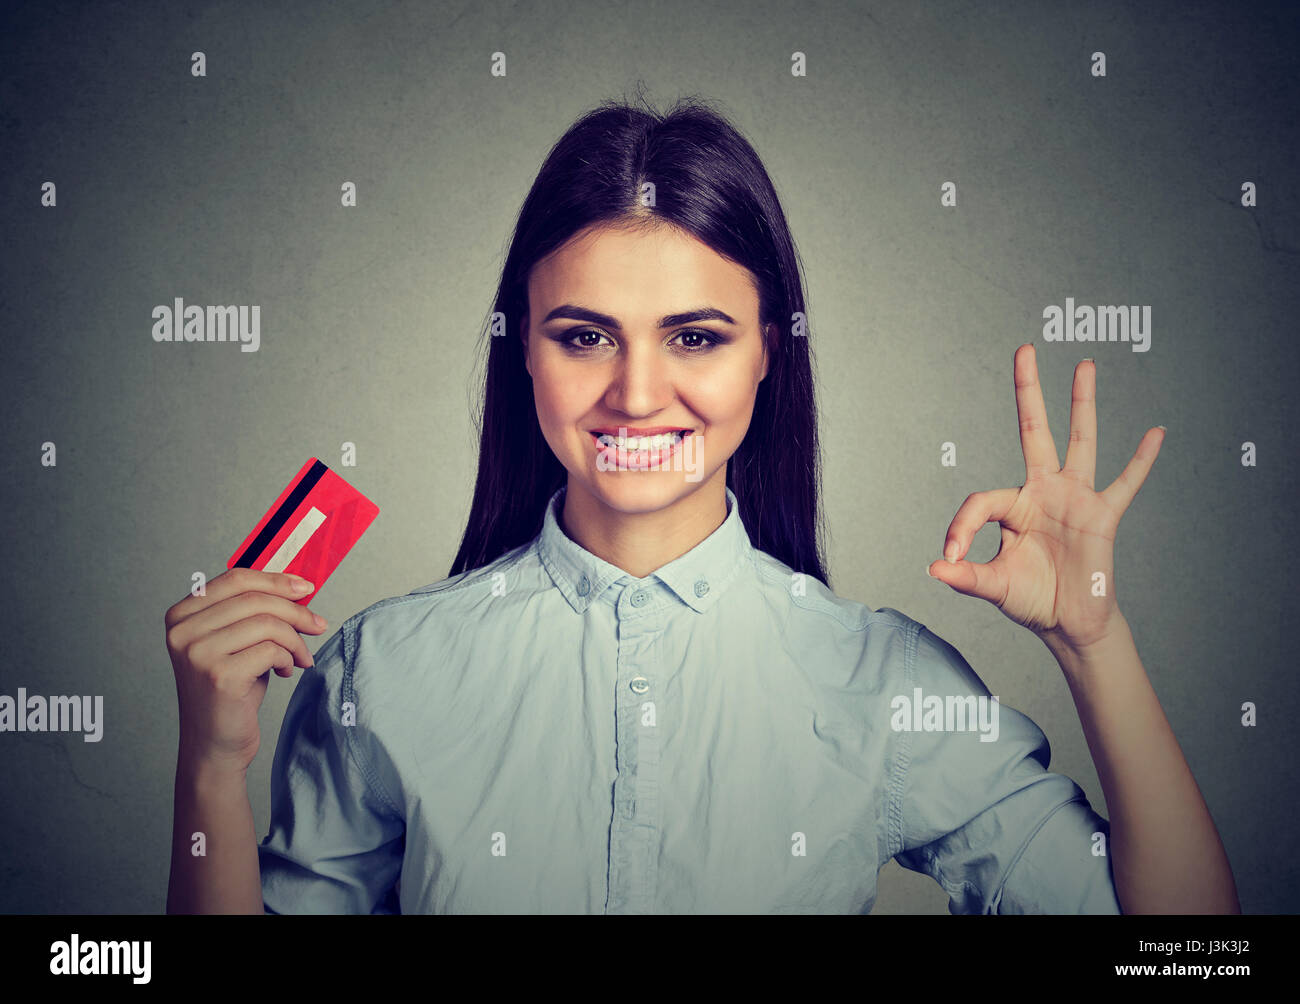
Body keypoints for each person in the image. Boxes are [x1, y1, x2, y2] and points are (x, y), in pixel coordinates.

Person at [165, 94, 1239, 914]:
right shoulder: (381, 669)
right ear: (520, 354)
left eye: (696, 335)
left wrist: (1093, 642)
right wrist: (212, 770)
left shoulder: (879, 681)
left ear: (768, 351)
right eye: (583, 335)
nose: (636, 392)